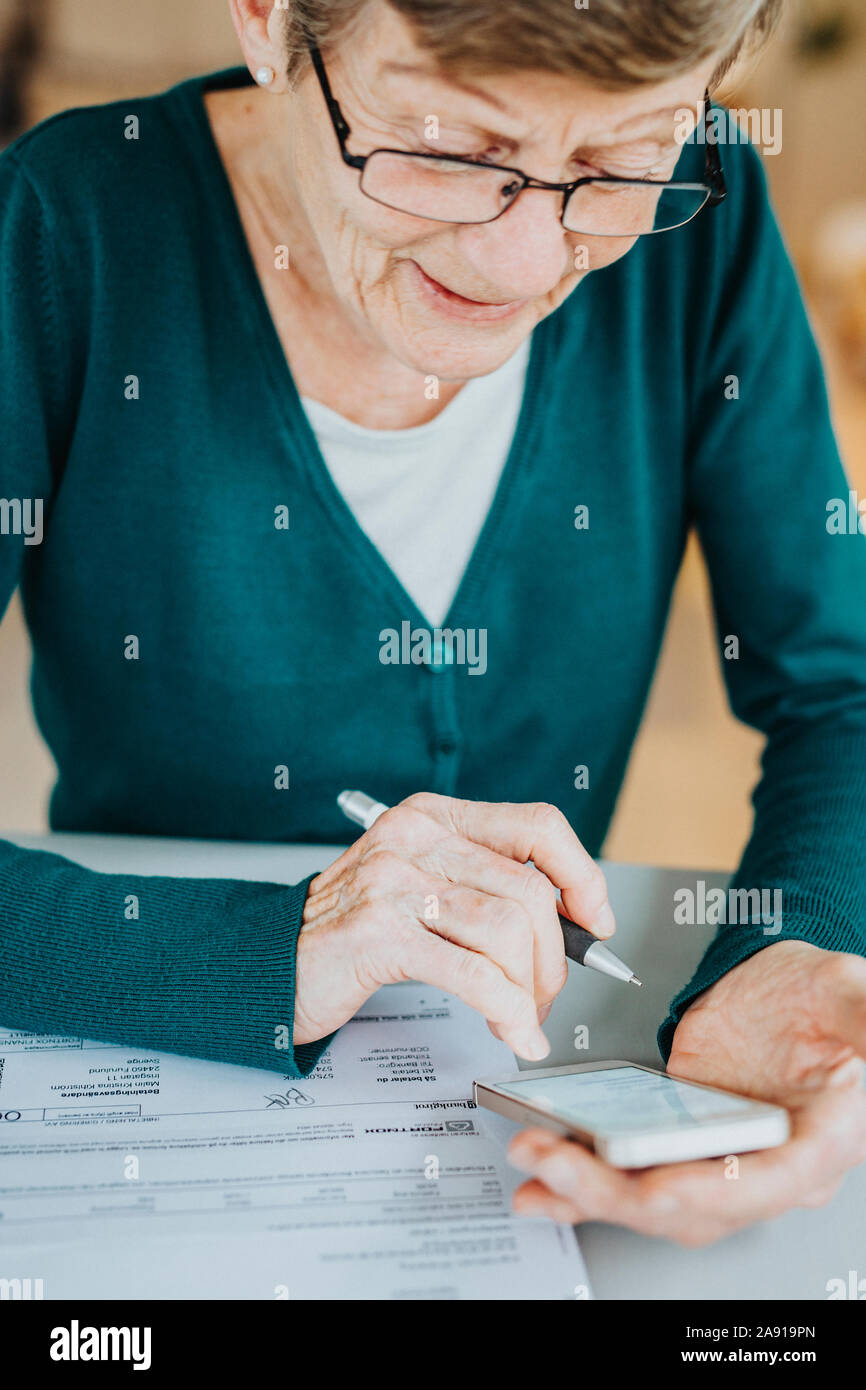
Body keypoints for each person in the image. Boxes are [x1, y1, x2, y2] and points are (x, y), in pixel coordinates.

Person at [1, 0, 865, 1245]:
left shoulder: (705, 218)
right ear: (267, 18)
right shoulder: (57, 229)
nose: (524, 266)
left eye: (619, 162)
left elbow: (842, 687)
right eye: (448, 148)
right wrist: (266, 951)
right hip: (142, 1113)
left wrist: (795, 939)